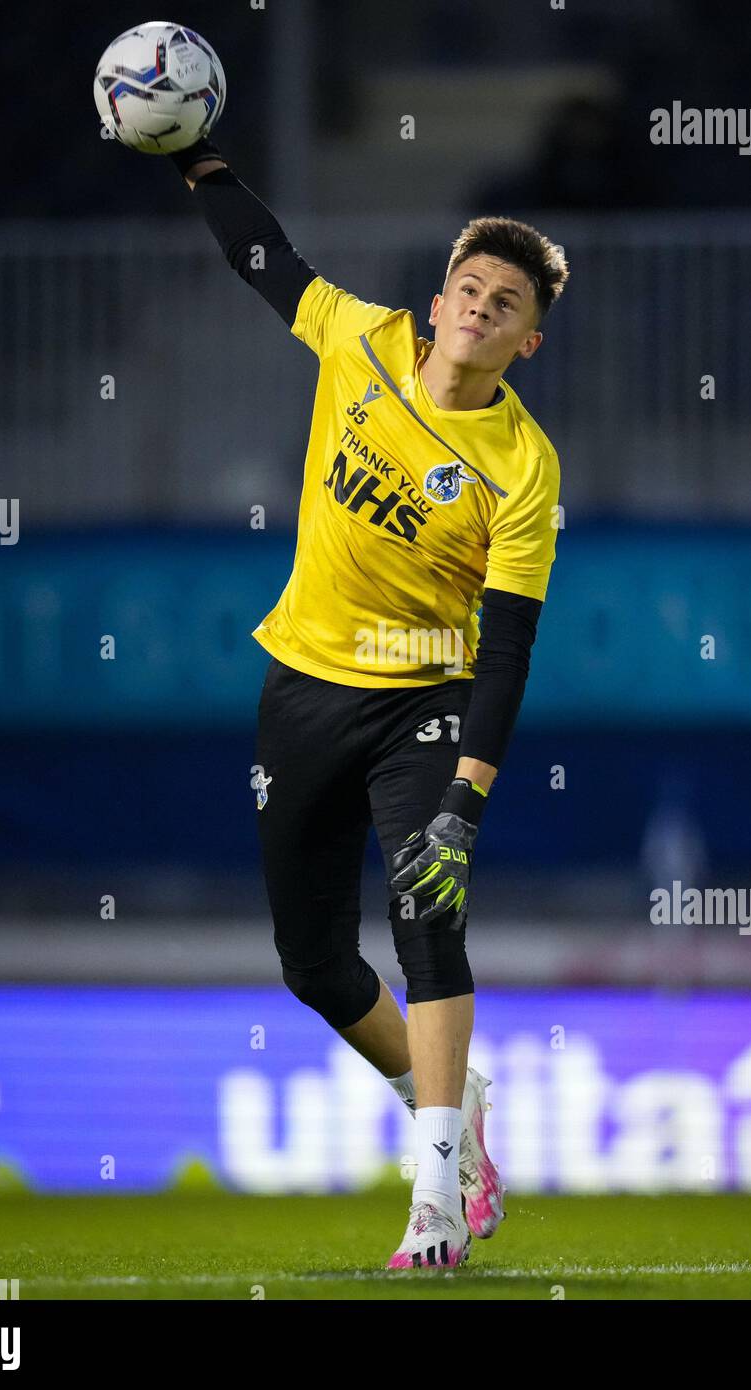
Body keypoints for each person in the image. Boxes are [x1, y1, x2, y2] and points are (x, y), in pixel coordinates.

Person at [159, 133, 567, 1269]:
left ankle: (433, 1201)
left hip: (424, 698)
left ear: (525, 341)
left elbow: (510, 646)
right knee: (312, 965)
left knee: (425, 915)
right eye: (469, 288)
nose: (481, 308)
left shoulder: (522, 470)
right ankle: (451, 1096)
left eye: (507, 304)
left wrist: (467, 799)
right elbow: (264, 259)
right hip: (301, 686)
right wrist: (198, 166)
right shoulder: (361, 338)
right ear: (437, 302)